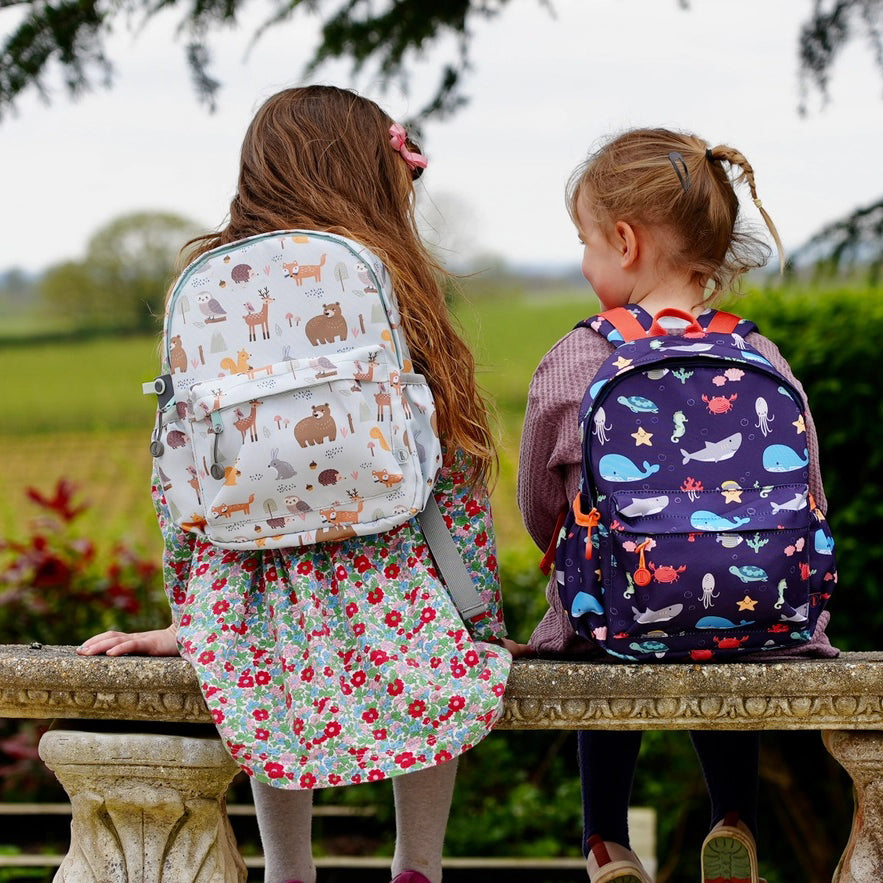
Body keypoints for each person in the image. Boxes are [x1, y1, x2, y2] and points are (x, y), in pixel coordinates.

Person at [78, 85, 513, 883]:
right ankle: (417, 865)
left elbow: (179, 467)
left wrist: (194, 613)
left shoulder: (206, 283)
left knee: (271, 690)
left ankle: (287, 869)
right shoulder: (388, 278)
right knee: (430, 663)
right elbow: (449, 462)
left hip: (244, 578)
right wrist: (477, 609)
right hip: (392, 572)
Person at [514, 128, 838, 883]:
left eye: (586, 242)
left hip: (615, 608)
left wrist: (562, 543)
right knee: (722, 622)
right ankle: (735, 821)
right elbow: (810, 491)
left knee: (607, 626)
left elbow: (538, 494)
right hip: (763, 608)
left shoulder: (579, 354)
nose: (585, 259)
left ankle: (605, 842)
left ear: (623, 241)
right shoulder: (759, 356)